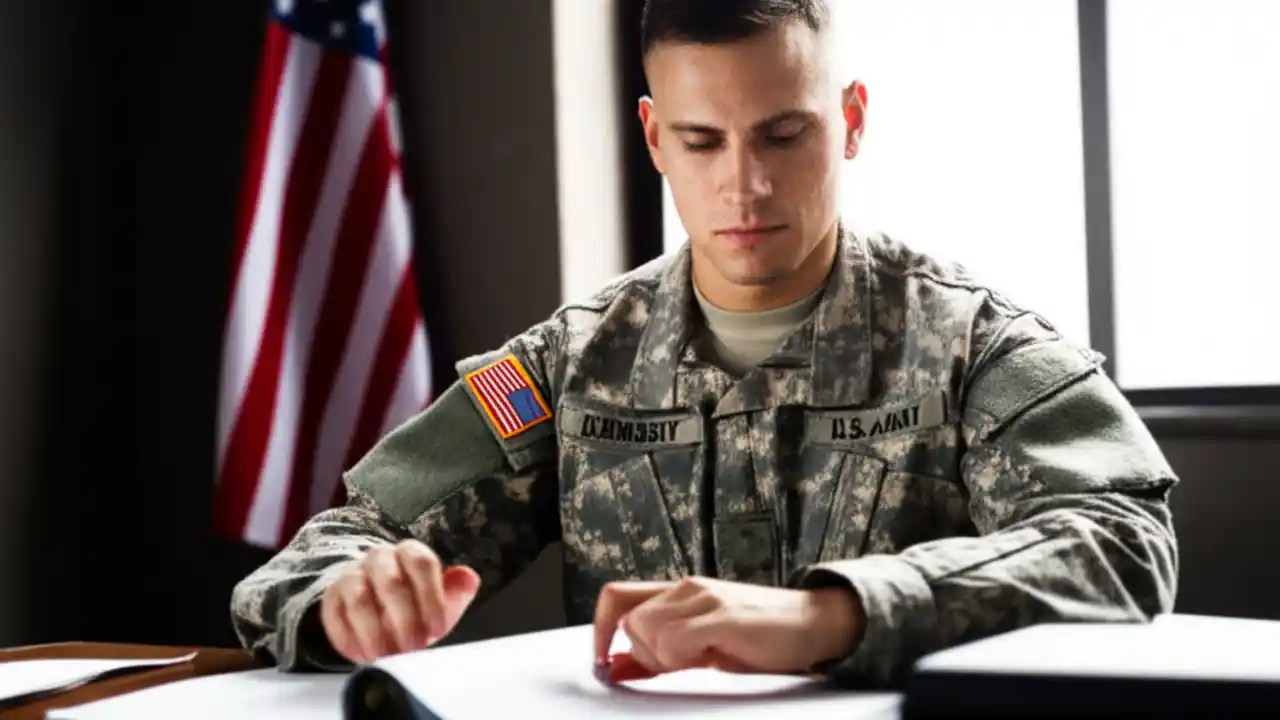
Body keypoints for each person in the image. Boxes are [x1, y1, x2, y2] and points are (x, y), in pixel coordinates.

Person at [230, 0, 1178, 687]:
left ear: (848, 122)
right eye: (701, 140)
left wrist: (832, 613)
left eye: (782, 135)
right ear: (653, 137)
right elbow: (322, 554)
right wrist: (347, 594)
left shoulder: (973, 343)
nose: (744, 187)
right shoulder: (571, 366)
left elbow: (1127, 546)